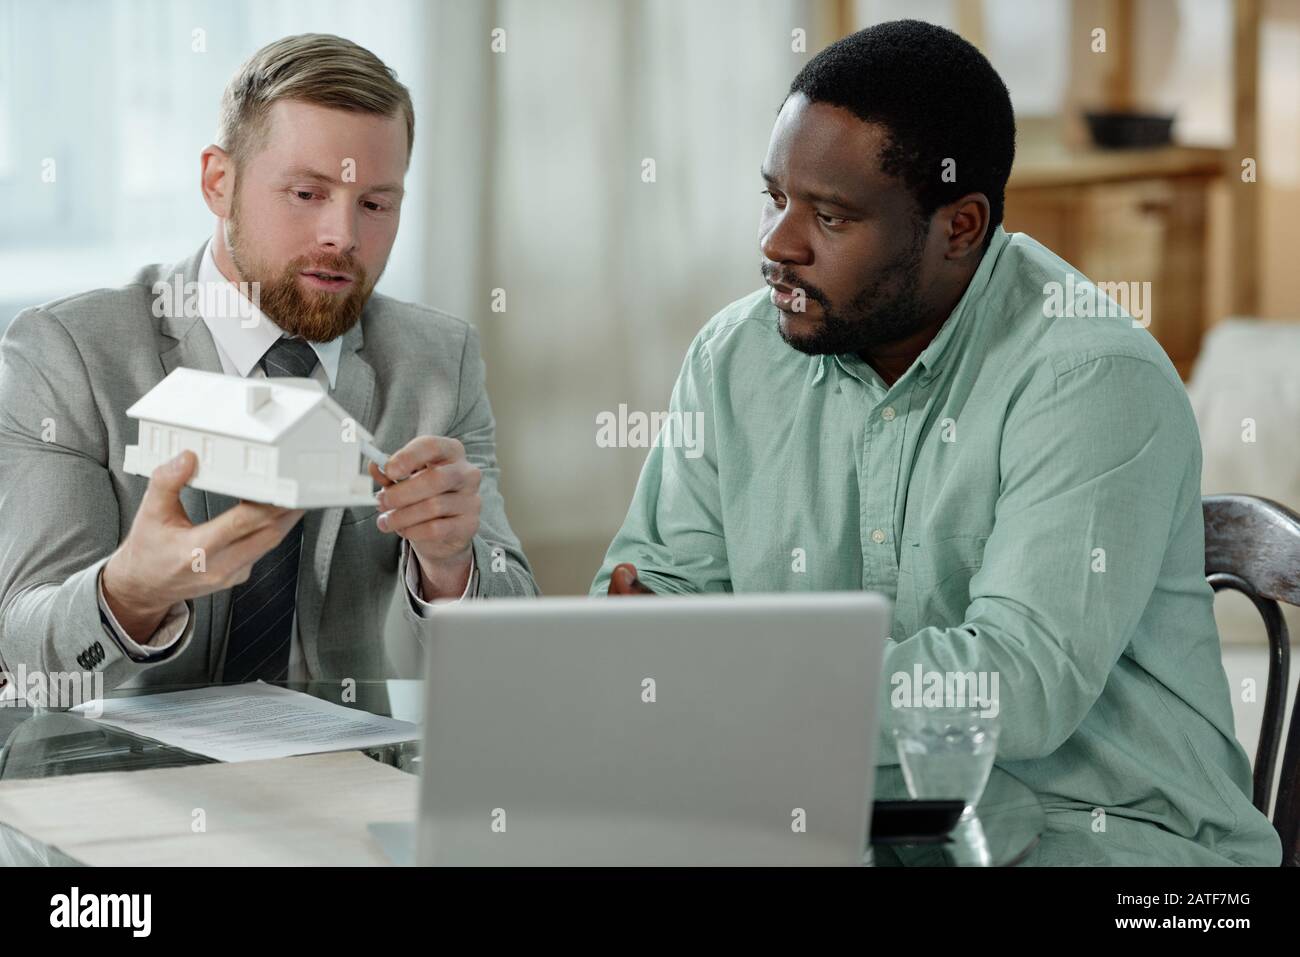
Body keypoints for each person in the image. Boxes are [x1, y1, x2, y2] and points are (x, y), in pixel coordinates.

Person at [593, 20, 1280, 866]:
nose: (776, 245)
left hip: (1119, 848)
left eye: (831, 216)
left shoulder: (1091, 377)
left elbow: (1015, 687)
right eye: (775, 198)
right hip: (856, 822)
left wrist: (731, 675)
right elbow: (651, 600)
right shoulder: (735, 358)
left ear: (960, 227)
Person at [0, 34, 536, 693]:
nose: (343, 236)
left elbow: (516, 647)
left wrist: (451, 567)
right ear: (218, 183)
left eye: (374, 203)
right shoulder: (68, 356)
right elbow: (26, 656)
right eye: (307, 194)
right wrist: (129, 593)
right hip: (126, 783)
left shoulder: (438, 361)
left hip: (357, 776)